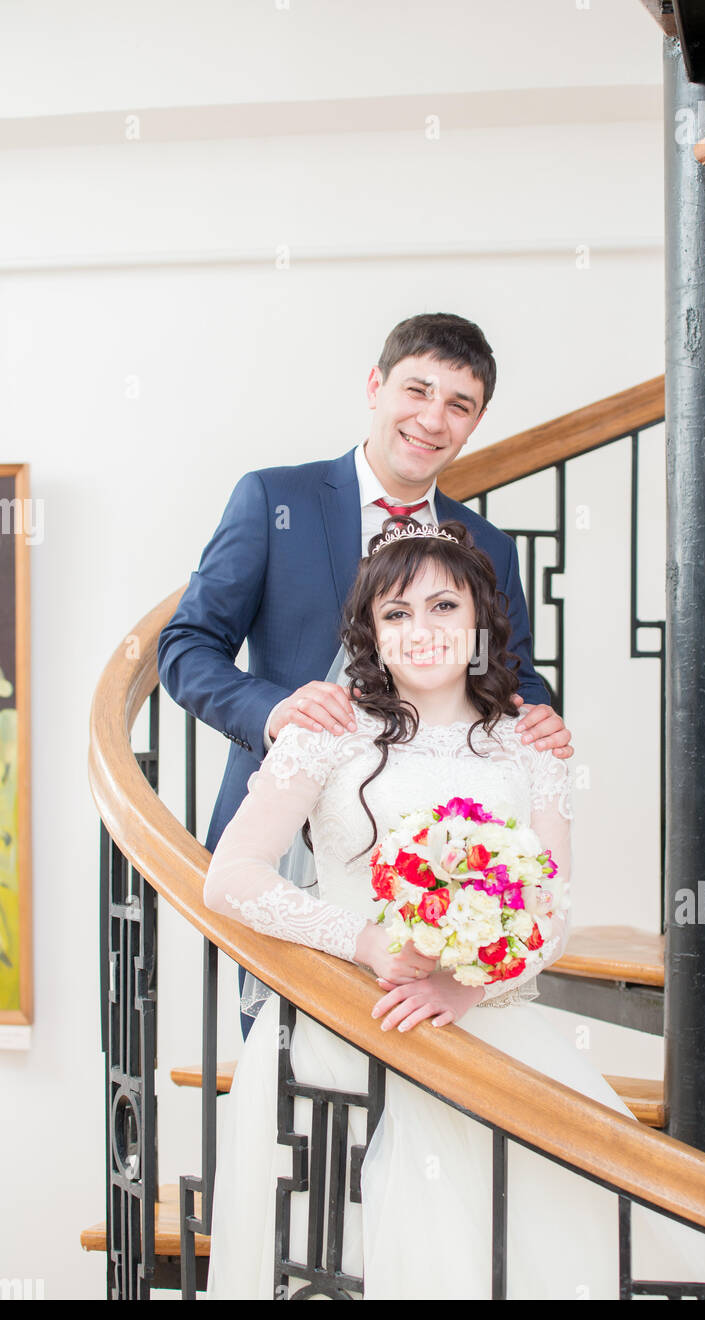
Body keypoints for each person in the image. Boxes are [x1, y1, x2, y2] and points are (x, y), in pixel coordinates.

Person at [202, 518, 705, 1299]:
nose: (420, 631)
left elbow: (549, 907)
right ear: (371, 634)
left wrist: (465, 985)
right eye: (395, 615)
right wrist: (368, 944)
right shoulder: (325, 734)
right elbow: (231, 877)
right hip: (356, 1014)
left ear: (481, 621)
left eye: (442, 607)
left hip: (486, 1015)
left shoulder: (531, 746)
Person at [158, 311, 574, 1039]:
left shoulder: (489, 546)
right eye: (417, 390)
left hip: (432, 849)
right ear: (376, 386)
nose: (431, 419)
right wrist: (276, 712)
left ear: (474, 424)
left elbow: (508, 672)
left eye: (458, 405)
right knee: (296, 1074)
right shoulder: (273, 499)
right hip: (286, 818)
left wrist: (535, 712)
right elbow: (187, 646)